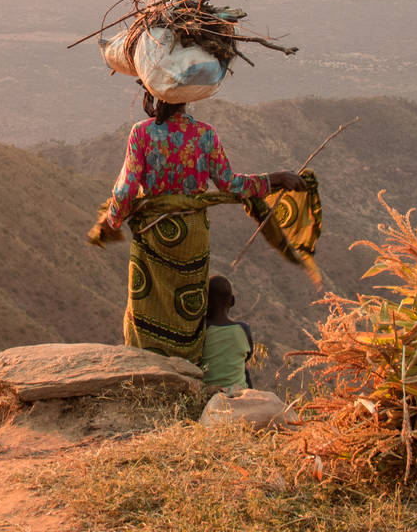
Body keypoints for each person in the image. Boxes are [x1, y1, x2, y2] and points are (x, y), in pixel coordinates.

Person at [92, 91, 305, 363]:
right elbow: (230, 183)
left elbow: (125, 192)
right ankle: (187, 366)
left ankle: (144, 366)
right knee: (187, 303)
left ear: (153, 95)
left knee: (148, 303)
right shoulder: (205, 134)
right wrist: (275, 178)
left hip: (152, 233)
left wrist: (111, 222)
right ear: (188, 97)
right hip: (192, 234)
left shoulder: (142, 133)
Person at [199, 274, 256, 390]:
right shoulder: (243, 329)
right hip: (238, 394)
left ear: (205, 300)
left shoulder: (202, 330)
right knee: (243, 369)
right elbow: (247, 356)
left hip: (210, 394)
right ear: (232, 301)